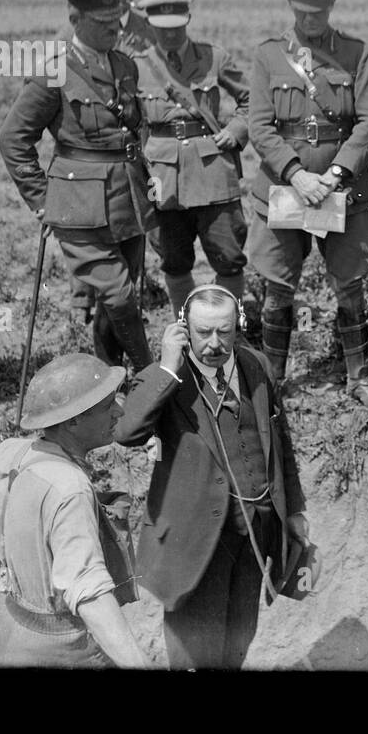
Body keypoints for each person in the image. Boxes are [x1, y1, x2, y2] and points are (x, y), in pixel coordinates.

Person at [115, 285, 311, 669]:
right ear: (184, 328)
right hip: (195, 540)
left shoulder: (256, 366)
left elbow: (281, 443)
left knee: (238, 637)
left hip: (254, 530)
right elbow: (127, 432)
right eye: (203, 332)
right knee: (193, 650)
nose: (214, 343)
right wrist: (169, 367)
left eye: (224, 331)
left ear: (238, 325)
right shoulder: (165, 377)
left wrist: (295, 510)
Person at [0, 353, 148, 668]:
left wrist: (5, 521)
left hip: (10, 630)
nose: (119, 410)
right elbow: (90, 594)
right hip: (62, 649)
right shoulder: (71, 488)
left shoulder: (13, 452)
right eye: (107, 406)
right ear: (73, 420)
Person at [246, 0, 368, 413]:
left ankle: (359, 378)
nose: (312, 17)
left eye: (319, 9)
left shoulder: (355, 54)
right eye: (303, 9)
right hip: (287, 190)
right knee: (278, 286)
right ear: (291, 5)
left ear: (331, 5)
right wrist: (296, 174)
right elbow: (259, 125)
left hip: (338, 191)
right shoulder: (269, 56)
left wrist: (334, 175)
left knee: (350, 284)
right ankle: (273, 381)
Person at [0, 0, 155, 371]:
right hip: (80, 208)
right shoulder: (54, 71)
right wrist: (43, 201)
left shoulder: (125, 66)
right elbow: (14, 140)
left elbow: (136, 127)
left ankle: (111, 384)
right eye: (103, 24)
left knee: (117, 302)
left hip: (129, 202)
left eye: (116, 22)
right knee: (120, 297)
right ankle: (153, 378)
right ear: (76, 20)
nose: (114, 31)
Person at [133, 0, 250, 317]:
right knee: (173, 259)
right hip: (163, 178)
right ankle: (186, 330)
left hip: (213, 172)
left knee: (228, 256)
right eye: (162, 28)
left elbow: (252, 101)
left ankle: (227, 331)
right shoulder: (135, 67)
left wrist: (237, 130)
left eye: (176, 27)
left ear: (187, 21)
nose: (170, 34)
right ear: (150, 25)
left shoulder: (214, 58)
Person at [67, 0, 154, 325]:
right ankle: (84, 303)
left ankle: (126, 310)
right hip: (93, 148)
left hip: (131, 130)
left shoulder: (143, 27)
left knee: (132, 234)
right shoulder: (82, 28)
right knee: (94, 238)